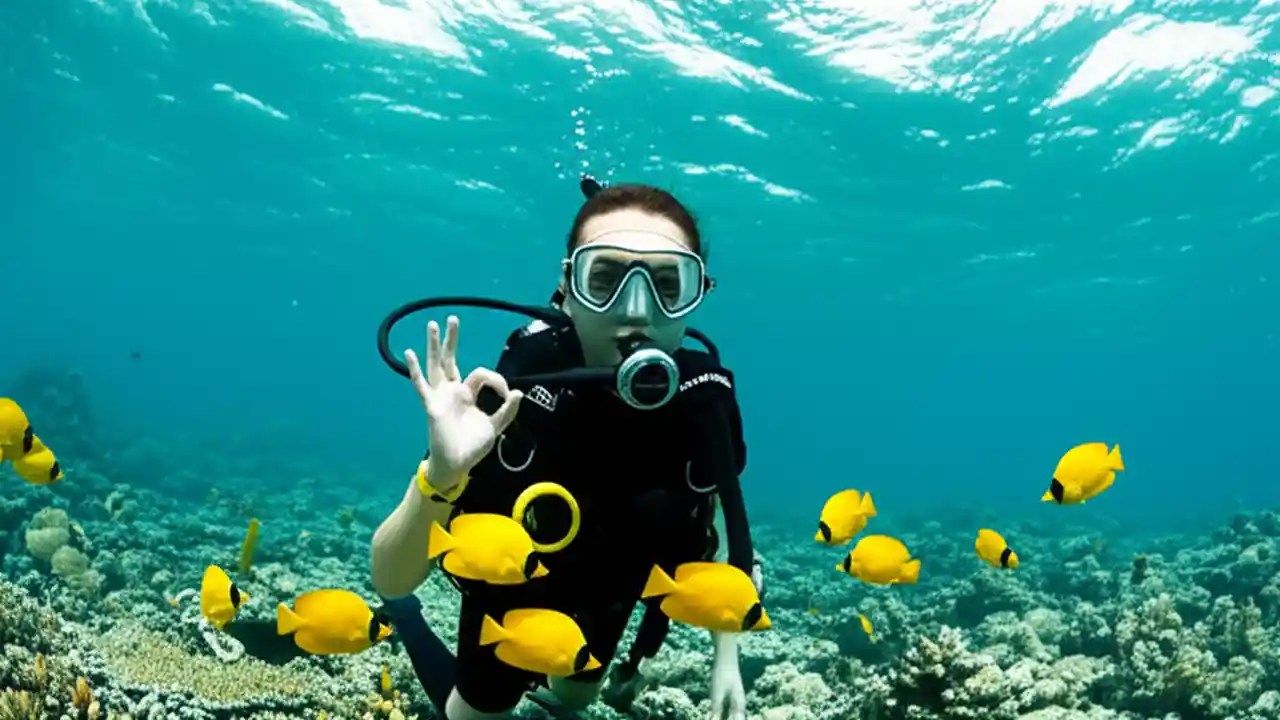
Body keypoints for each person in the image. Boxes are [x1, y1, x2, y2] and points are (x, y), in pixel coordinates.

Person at [370, 179, 763, 720]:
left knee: (577, 698)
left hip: (615, 587)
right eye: (604, 279)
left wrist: (727, 662)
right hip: (512, 585)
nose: (636, 311)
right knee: (470, 715)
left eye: (668, 285)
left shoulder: (705, 400)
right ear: (568, 287)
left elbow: (719, 528)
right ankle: (410, 622)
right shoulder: (519, 389)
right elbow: (389, 574)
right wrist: (440, 474)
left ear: (699, 294)